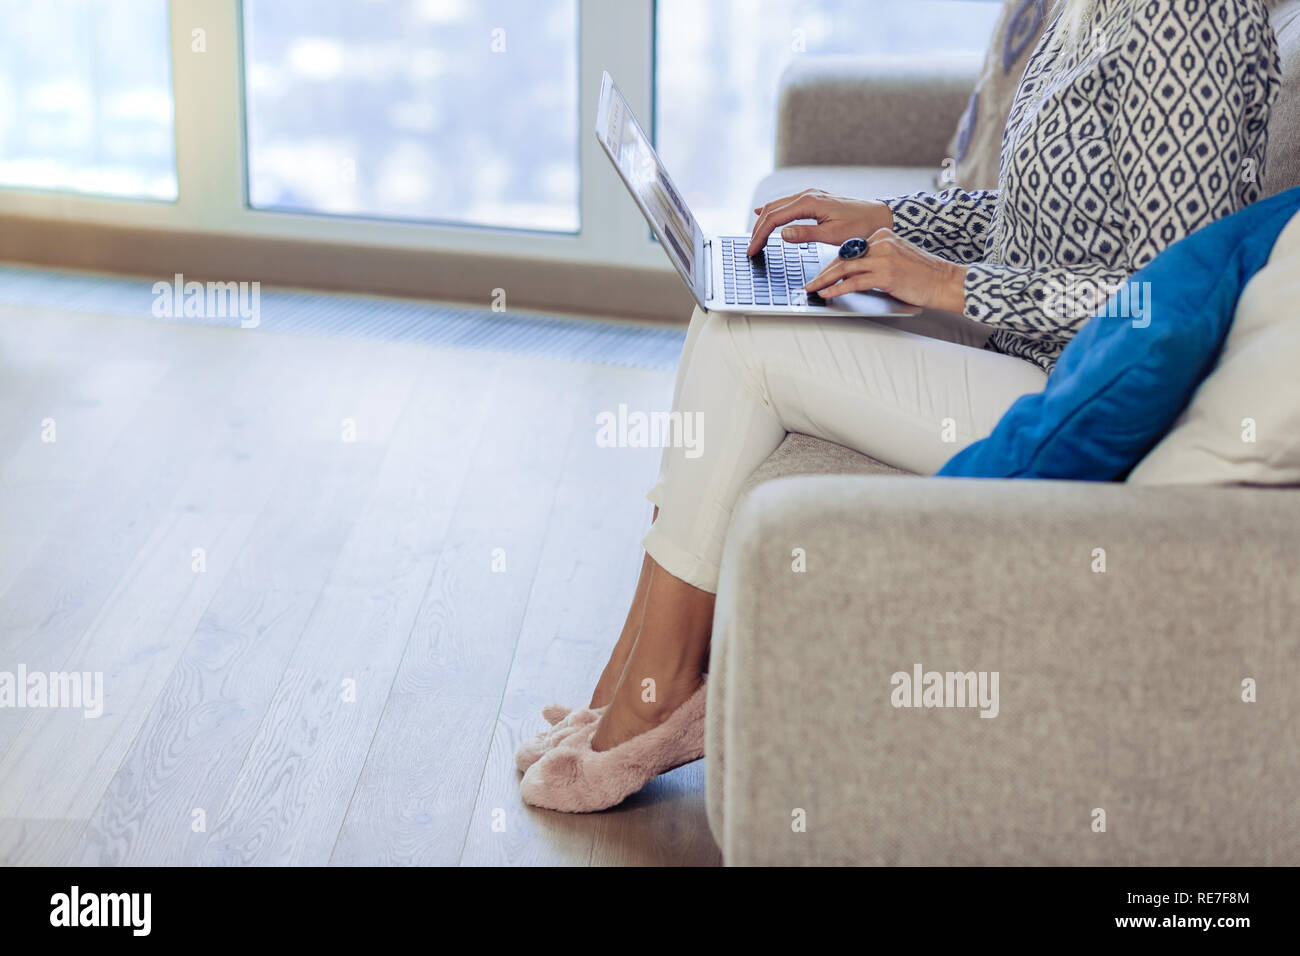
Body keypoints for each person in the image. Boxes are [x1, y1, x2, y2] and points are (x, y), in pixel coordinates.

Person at [517, 0, 1283, 813]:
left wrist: (949, 284)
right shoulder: (1095, 9)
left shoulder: (1190, 15)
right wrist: (883, 221)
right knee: (732, 310)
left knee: (744, 341)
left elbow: (1162, 300)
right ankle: (633, 671)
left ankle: (659, 688)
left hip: (1078, 401)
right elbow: (1046, 227)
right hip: (1031, 358)